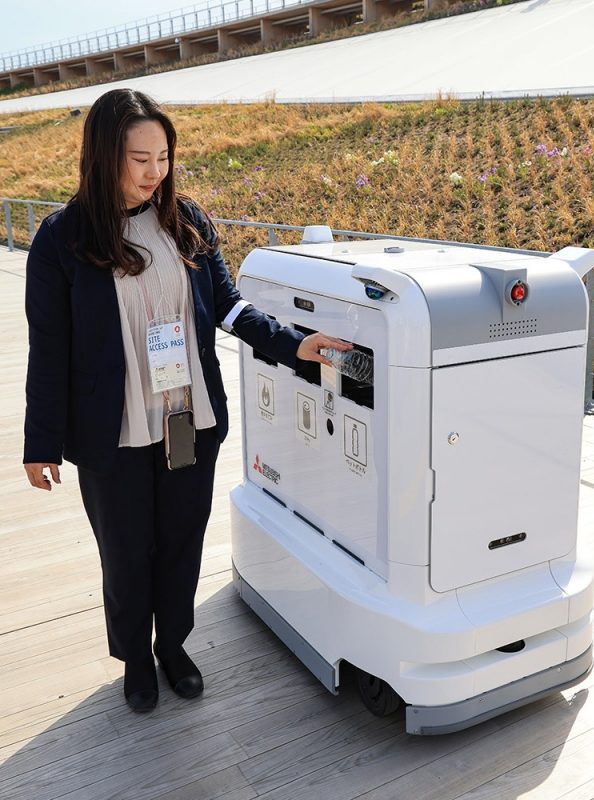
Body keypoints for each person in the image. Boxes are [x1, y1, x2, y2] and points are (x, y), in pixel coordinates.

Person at [23, 88, 349, 713]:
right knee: (125, 553)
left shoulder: (186, 219)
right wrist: (41, 443)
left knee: (180, 540)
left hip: (186, 419)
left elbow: (229, 305)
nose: (154, 173)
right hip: (110, 430)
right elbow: (50, 350)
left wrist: (297, 345)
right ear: (102, 156)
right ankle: (136, 658)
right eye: (139, 159)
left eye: (164, 158)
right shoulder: (61, 240)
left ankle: (172, 645)